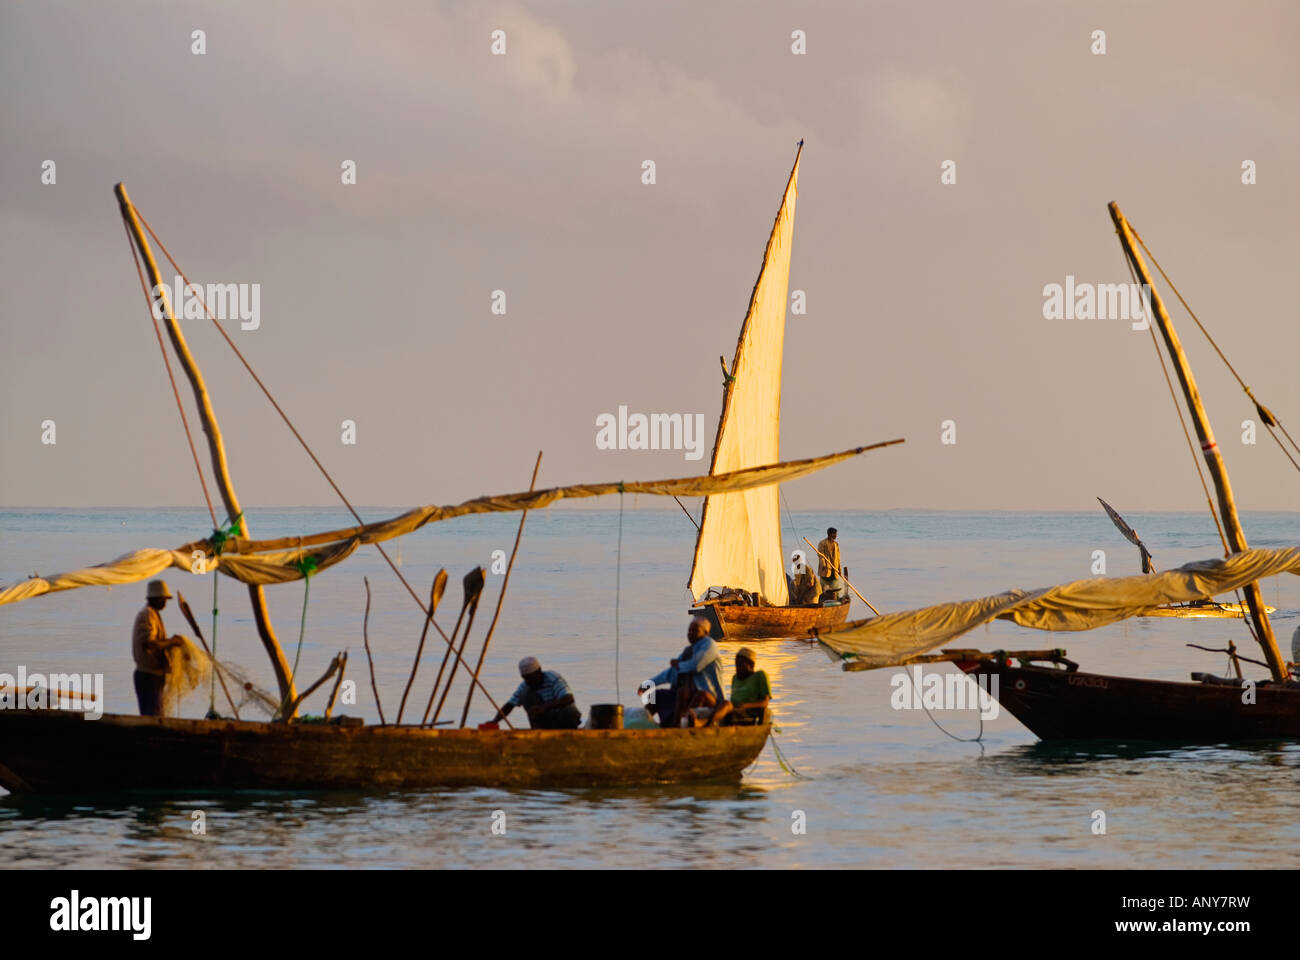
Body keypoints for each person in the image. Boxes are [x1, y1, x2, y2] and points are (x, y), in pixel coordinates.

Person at [131, 580, 188, 716]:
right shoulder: (148, 614)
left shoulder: (154, 614)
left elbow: (157, 643)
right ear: (155, 598)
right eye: (163, 599)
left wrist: (169, 642)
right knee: (153, 718)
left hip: (153, 677)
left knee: (154, 716)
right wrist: (172, 642)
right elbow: (150, 644)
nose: (165, 602)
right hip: (148, 677)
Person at [490, 657, 581, 729]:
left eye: (532, 678)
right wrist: (494, 721)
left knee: (571, 711)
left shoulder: (553, 678)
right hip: (543, 721)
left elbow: (568, 698)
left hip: (559, 718)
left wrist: (544, 707)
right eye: (526, 678)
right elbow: (510, 705)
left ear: (539, 672)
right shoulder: (525, 686)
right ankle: (538, 730)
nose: (529, 681)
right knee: (525, 694)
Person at [673, 617, 725, 726]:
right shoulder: (692, 651)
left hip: (711, 701)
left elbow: (695, 666)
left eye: (694, 631)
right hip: (701, 698)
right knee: (682, 693)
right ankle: (678, 723)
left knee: (700, 695)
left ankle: (684, 722)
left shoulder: (709, 651)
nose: (691, 634)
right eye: (690, 631)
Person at [709, 647, 772, 726]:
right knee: (704, 696)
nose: (737, 668)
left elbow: (764, 703)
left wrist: (745, 705)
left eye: (740, 665)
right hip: (733, 710)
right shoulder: (735, 678)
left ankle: (708, 723)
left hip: (747, 714)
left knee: (726, 705)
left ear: (751, 665)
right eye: (736, 665)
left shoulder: (760, 676)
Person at [816, 527, 843, 600]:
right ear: (831, 534)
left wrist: (839, 569)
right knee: (823, 590)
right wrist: (823, 565)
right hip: (826, 570)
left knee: (836, 589)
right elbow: (820, 555)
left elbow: (838, 559)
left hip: (834, 571)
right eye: (835, 534)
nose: (836, 536)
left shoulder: (836, 544)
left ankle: (836, 602)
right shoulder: (822, 543)